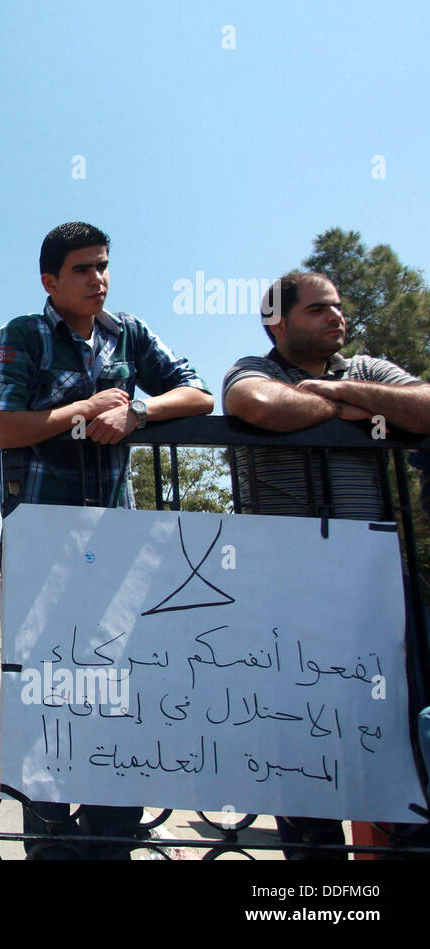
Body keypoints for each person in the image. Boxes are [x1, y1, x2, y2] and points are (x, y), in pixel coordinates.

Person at [0, 221, 213, 858]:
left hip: (118, 543)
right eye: (83, 269)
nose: (98, 279)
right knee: (45, 691)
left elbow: (199, 393)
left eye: (103, 266)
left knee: (121, 690)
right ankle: (49, 840)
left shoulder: (128, 334)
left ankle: (111, 840)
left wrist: (138, 411)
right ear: (50, 282)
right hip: (42, 541)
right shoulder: (22, 336)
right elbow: (0, 426)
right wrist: (81, 411)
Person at [223, 270, 430, 857]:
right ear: (279, 322)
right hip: (288, 596)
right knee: (301, 744)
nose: (336, 317)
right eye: (318, 310)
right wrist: (355, 413)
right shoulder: (254, 368)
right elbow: (254, 404)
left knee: (402, 733)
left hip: (378, 587)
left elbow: (427, 405)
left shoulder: (364, 368)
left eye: (338, 307)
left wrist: (338, 395)